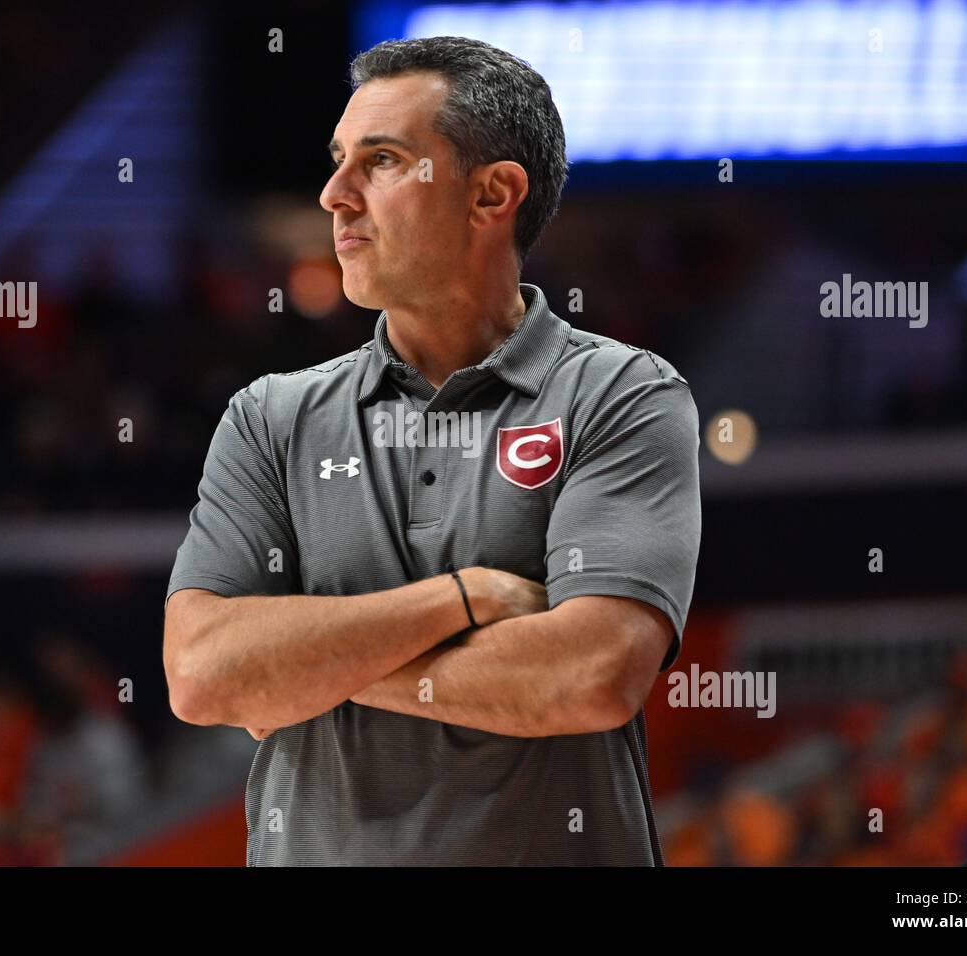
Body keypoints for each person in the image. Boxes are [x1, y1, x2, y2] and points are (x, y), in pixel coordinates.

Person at [164, 36, 702, 865]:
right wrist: (464, 597)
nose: (334, 194)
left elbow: (589, 676)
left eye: (380, 161)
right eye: (340, 160)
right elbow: (202, 675)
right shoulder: (270, 417)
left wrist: (303, 671)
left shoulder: (622, 395)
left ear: (493, 194)